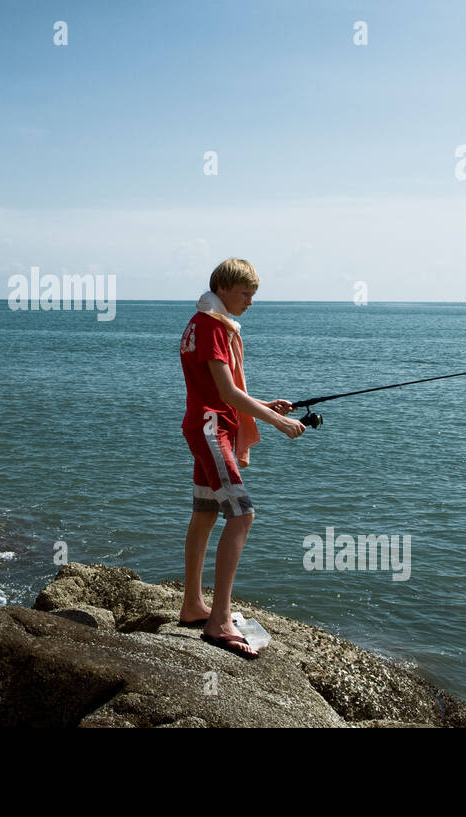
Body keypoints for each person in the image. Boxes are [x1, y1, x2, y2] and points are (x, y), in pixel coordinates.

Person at [178, 258, 304, 658]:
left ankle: (192, 604)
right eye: (247, 293)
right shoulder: (214, 327)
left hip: (205, 423)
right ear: (226, 288)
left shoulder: (200, 323)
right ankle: (218, 620)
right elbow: (228, 394)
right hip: (212, 429)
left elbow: (216, 389)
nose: (251, 301)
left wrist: (264, 405)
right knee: (242, 514)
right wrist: (276, 422)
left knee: (205, 512)